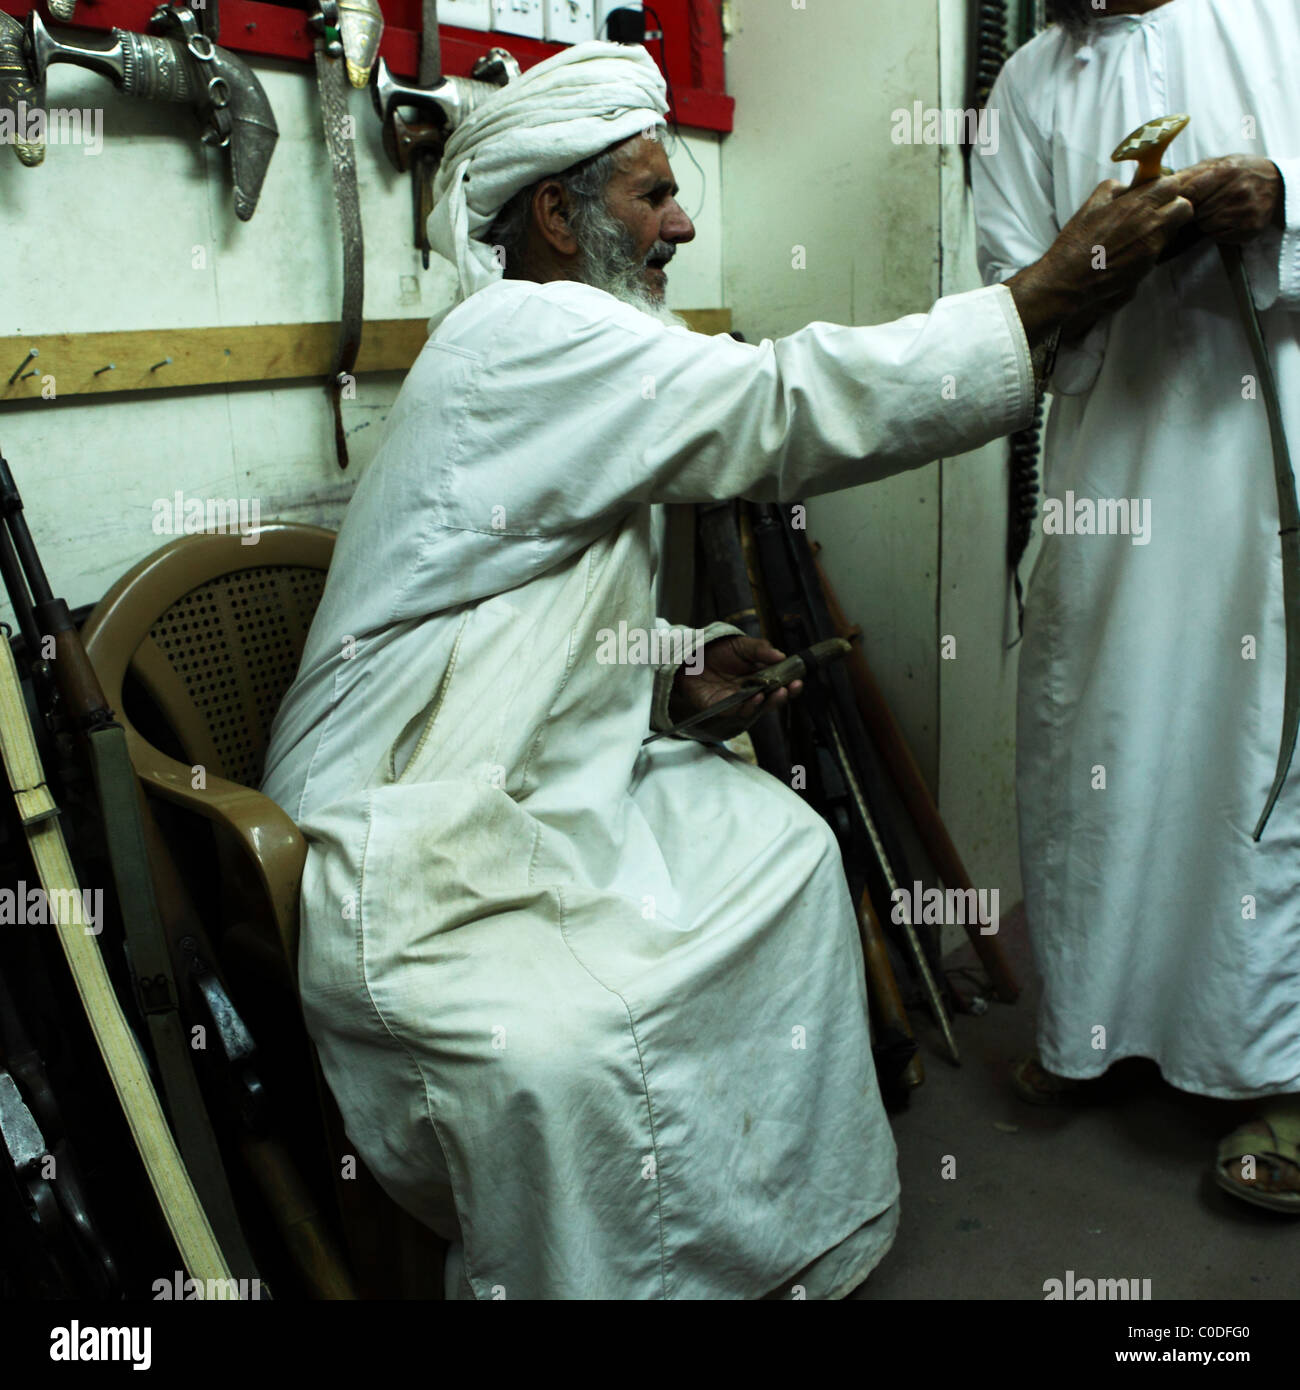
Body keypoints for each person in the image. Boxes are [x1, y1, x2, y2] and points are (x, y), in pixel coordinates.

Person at [261, 39, 1193, 1297]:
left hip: (554, 768)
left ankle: (746, 1243)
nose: (682, 222)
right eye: (653, 194)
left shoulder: (577, 338)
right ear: (555, 212)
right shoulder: (530, 329)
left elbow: (528, 606)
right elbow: (781, 406)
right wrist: (1045, 292)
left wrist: (670, 668)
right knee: (561, 1043)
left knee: (786, 853)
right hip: (421, 806)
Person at [972, 0, 1300, 1211]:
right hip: (1111, 470)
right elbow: (1011, 297)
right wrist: (1097, 256)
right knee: (1097, 740)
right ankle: (1094, 1026)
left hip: (1269, 459)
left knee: (1264, 743)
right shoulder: (1029, 82)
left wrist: (1279, 202)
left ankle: (1275, 1062)